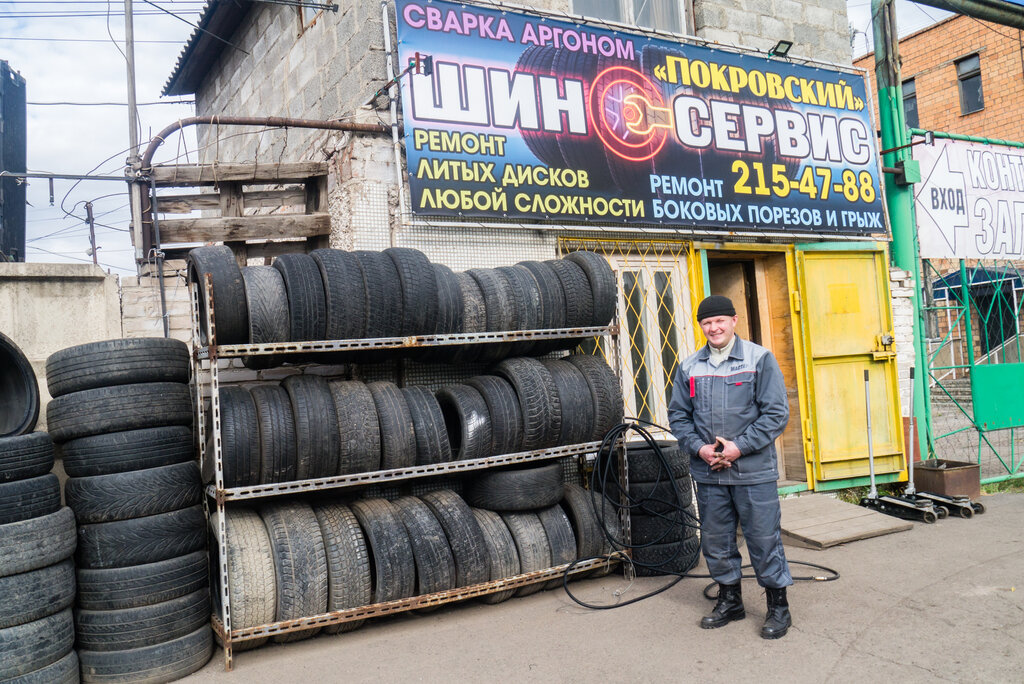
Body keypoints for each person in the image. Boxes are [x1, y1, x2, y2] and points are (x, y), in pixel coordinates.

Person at [667, 294, 792, 639]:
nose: (714, 327)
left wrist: (739, 447)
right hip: (710, 472)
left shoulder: (759, 359)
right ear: (701, 327)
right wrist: (700, 448)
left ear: (734, 321)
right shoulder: (690, 366)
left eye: (720, 320)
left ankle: (778, 607)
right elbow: (679, 415)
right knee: (717, 541)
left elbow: (776, 414)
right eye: (707, 323)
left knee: (764, 540)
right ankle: (730, 601)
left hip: (753, 473)